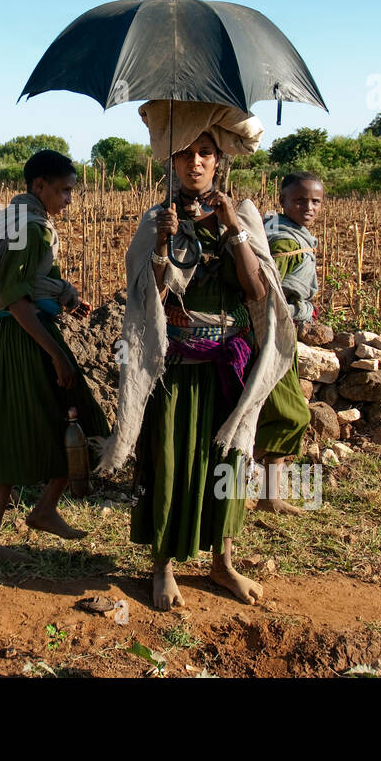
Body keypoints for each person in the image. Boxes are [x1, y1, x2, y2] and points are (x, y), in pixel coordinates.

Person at [98, 102, 295, 610]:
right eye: (184, 154)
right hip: (177, 368)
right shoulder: (155, 219)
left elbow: (256, 291)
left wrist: (234, 230)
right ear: (171, 163)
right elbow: (150, 301)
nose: (195, 163)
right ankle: (164, 566)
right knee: (169, 464)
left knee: (227, 463)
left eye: (205, 152)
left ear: (219, 160)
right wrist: (162, 245)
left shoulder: (244, 213)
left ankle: (223, 564)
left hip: (230, 367)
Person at [0, 149, 110, 564]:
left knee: (28, 427)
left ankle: (37, 513)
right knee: (77, 417)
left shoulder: (21, 221)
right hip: (23, 338)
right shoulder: (31, 229)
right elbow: (16, 300)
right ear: (39, 186)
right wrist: (58, 357)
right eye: (65, 191)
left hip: (15, 336)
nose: (69, 199)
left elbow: (31, 281)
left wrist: (65, 295)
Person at [252, 172, 324, 514]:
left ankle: (269, 497)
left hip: (283, 337)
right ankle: (229, 482)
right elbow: (264, 293)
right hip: (268, 337)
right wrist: (301, 308)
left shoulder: (295, 236)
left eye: (315, 201)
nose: (308, 207)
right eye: (299, 200)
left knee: (278, 415)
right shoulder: (283, 242)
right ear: (283, 202)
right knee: (291, 415)